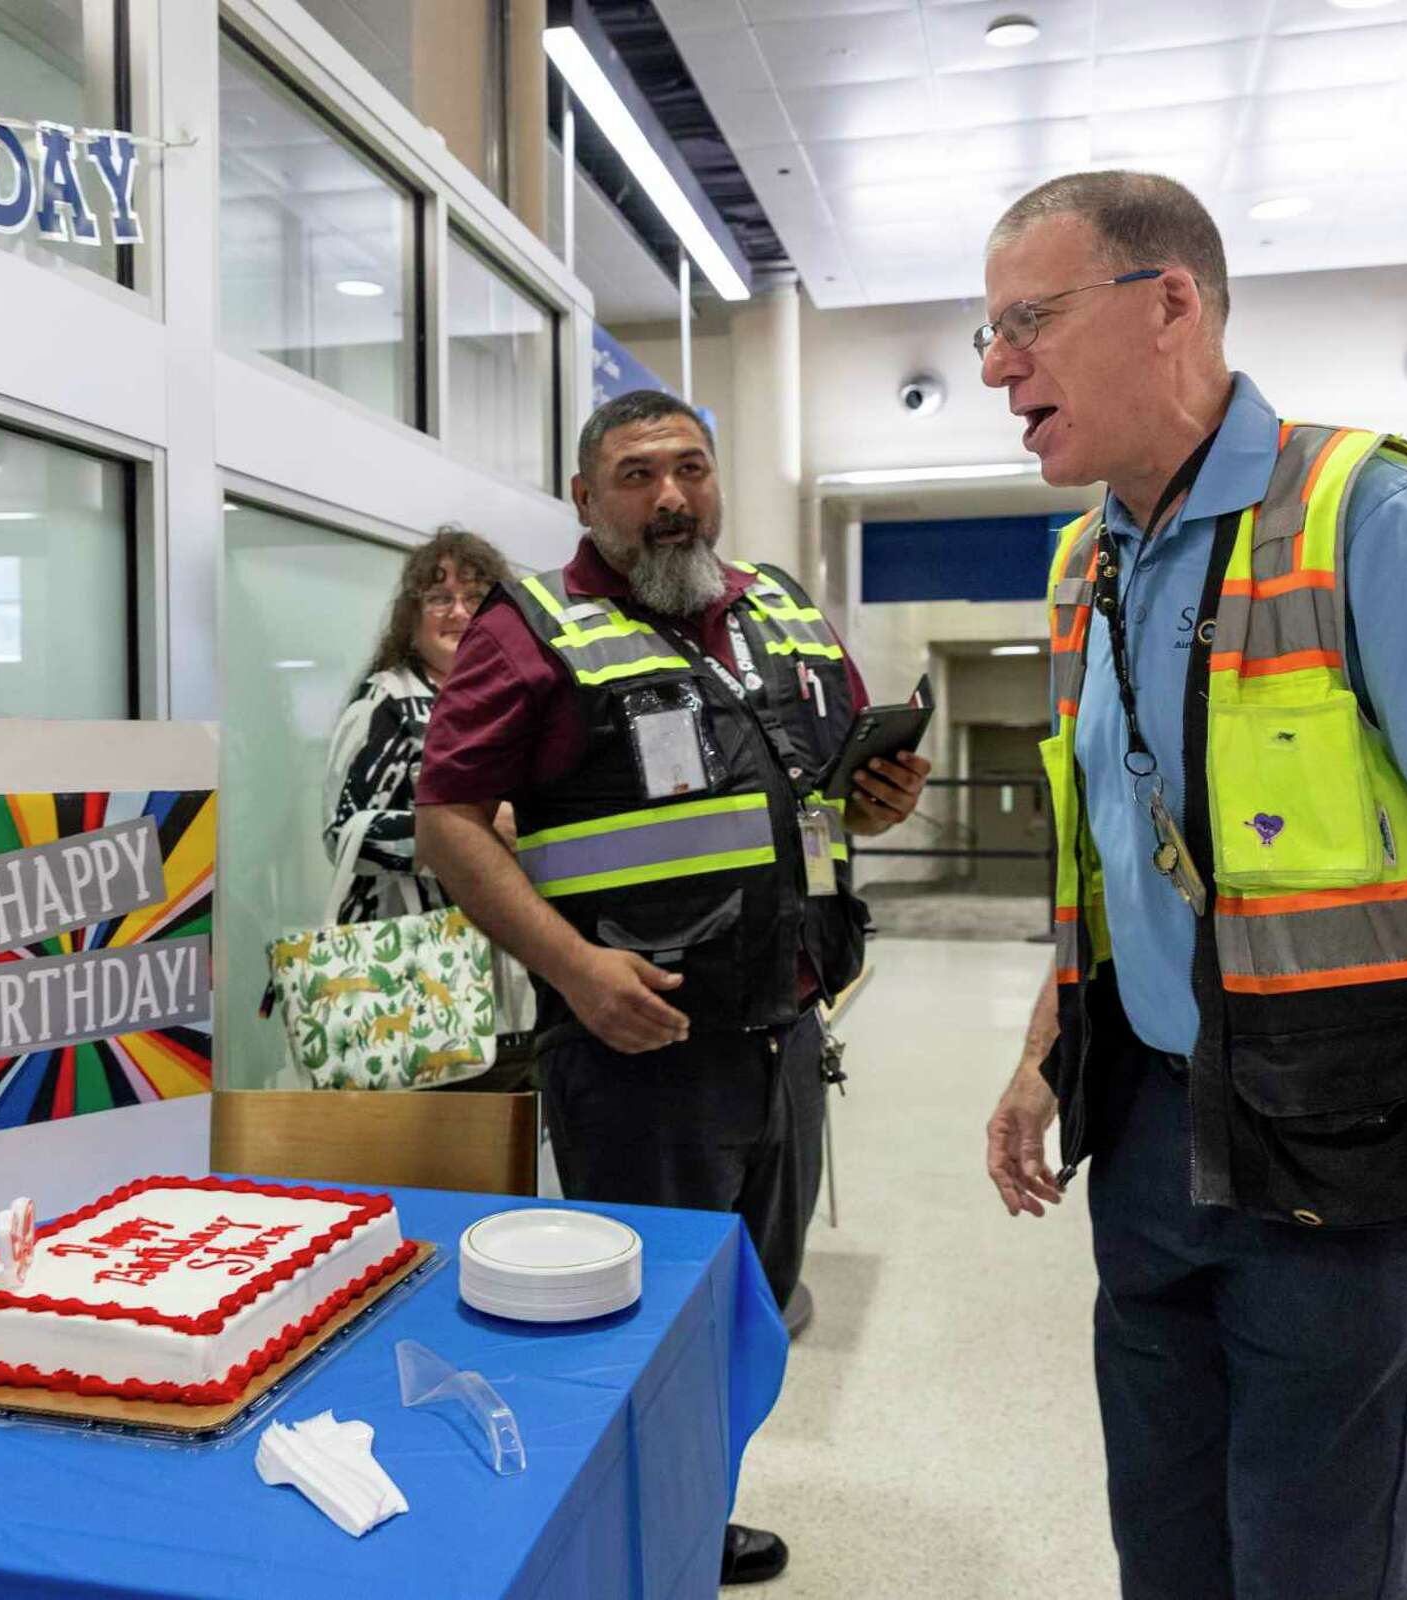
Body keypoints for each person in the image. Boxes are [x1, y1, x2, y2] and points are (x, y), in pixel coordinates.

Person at [973, 172, 1407, 1600]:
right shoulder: (1088, 565)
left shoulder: (1365, 518)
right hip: (1147, 1148)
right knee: (1170, 1559)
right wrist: (1039, 1057)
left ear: (1170, 305)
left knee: (1313, 1573)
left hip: (1352, 1176)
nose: (995, 365)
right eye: (987, 331)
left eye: (1028, 320)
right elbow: (1128, 855)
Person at [414, 388, 930, 1587]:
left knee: (748, 1306)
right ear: (586, 500)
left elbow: (837, 782)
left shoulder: (785, 614)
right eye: (636, 476)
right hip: (639, 1048)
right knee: (631, 1324)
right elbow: (447, 823)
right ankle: (616, 1549)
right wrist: (575, 969)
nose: (670, 497)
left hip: (788, 1032)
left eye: (689, 468)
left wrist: (876, 800)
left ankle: (692, 1517)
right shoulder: (530, 628)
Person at [321, 525, 533, 1090]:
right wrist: (465, 833)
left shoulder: (517, 702)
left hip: (513, 977)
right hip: (415, 978)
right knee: (439, 1156)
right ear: (410, 619)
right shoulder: (387, 705)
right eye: (439, 597)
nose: (458, 612)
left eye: (476, 596)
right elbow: (344, 835)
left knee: (501, 1155)